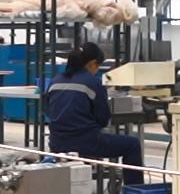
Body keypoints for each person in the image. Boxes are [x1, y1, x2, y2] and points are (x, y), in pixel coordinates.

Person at [43, 42, 143, 186]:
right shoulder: (92, 82)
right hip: (86, 143)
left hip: (57, 142)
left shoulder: (55, 81)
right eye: (98, 66)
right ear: (92, 63)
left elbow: (47, 110)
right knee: (132, 145)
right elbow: (103, 119)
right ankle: (134, 192)